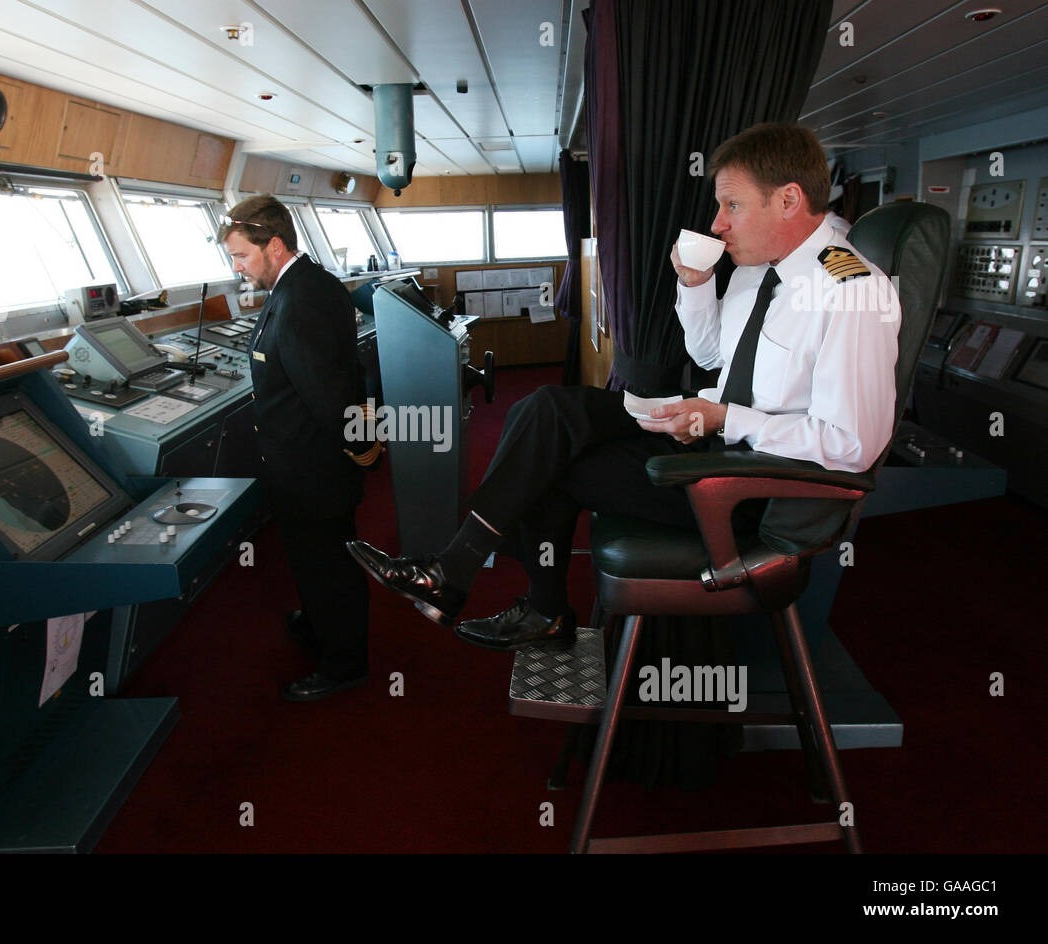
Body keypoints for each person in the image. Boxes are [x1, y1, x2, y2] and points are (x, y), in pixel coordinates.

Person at [348, 122, 900, 650]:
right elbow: (711, 354)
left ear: (788, 199)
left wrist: (729, 419)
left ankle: (515, 599)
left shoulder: (851, 289)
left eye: (732, 205)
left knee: (551, 462)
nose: (717, 224)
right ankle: (456, 570)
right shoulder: (760, 267)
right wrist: (697, 287)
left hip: (748, 486)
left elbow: (852, 446)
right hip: (710, 436)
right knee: (546, 411)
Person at [219, 194, 372, 699]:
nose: (238, 268)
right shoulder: (300, 286)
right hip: (303, 466)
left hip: (314, 470)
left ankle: (343, 663)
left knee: (328, 564)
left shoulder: (301, 299)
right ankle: (319, 624)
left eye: (242, 256)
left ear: (275, 245)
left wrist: (357, 452)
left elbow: (328, 399)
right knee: (314, 561)